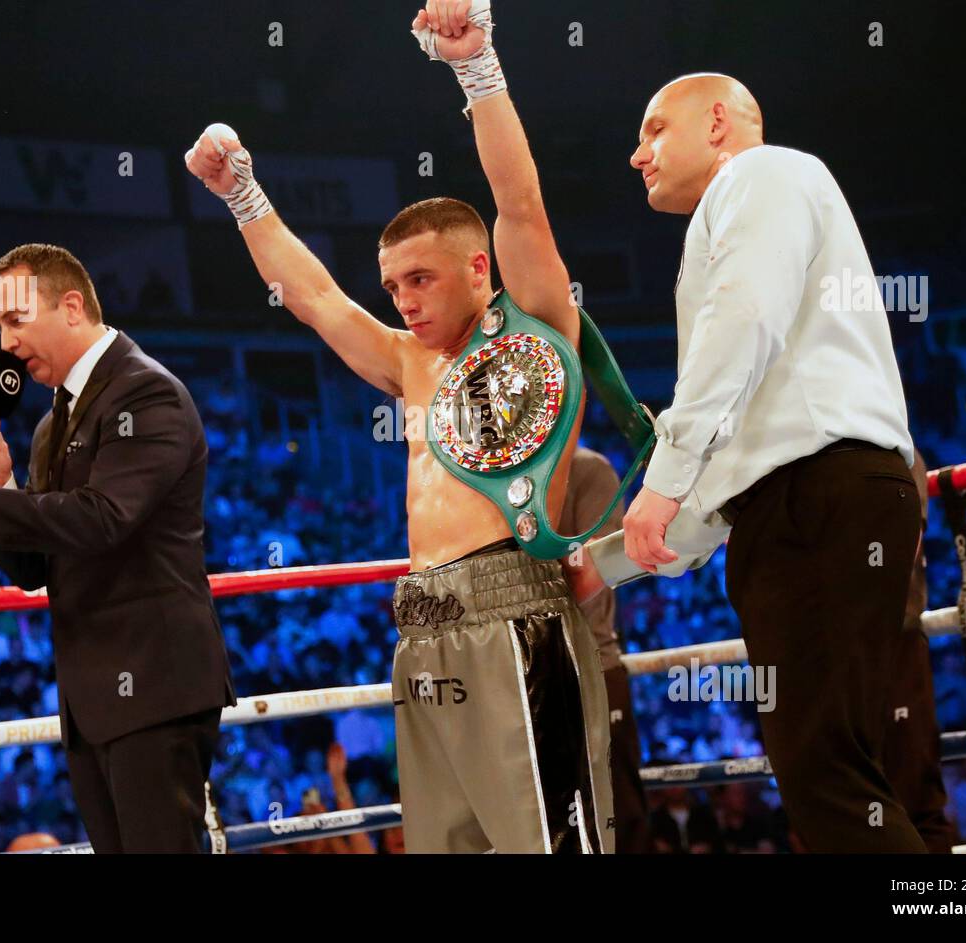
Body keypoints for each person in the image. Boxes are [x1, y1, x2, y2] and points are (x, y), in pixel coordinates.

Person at [185, 0, 612, 852]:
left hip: (517, 613)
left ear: (478, 267)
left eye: (420, 279)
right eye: (393, 287)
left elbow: (519, 203)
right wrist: (242, 192)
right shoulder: (409, 363)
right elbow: (312, 297)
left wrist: (475, 67)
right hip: (421, 630)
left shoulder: (535, 326)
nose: (404, 300)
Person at [621, 73, 925, 852]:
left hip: (819, 496)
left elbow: (743, 321)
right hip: (831, 495)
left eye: (655, 131)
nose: (636, 155)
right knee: (867, 770)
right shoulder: (759, 199)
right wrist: (637, 550)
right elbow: (746, 427)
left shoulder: (763, 171)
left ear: (717, 121)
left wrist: (662, 481)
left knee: (825, 772)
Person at [0, 243, 235, 853]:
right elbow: (36, 569)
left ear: (71, 307)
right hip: (92, 698)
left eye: (16, 321)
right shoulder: (51, 422)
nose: (6, 344)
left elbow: (103, 519)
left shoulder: (146, 393)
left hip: (153, 685)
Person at [560, 447, 650, 852]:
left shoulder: (587, 470)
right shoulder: (497, 479)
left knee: (620, 815)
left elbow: (594, 573)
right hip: (522, 673)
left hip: (592, 664)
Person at [881, 447, 954, 852]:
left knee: (915, 795)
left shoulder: (900, 455)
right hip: (840, 644)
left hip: (894, 638)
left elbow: (902, 543)